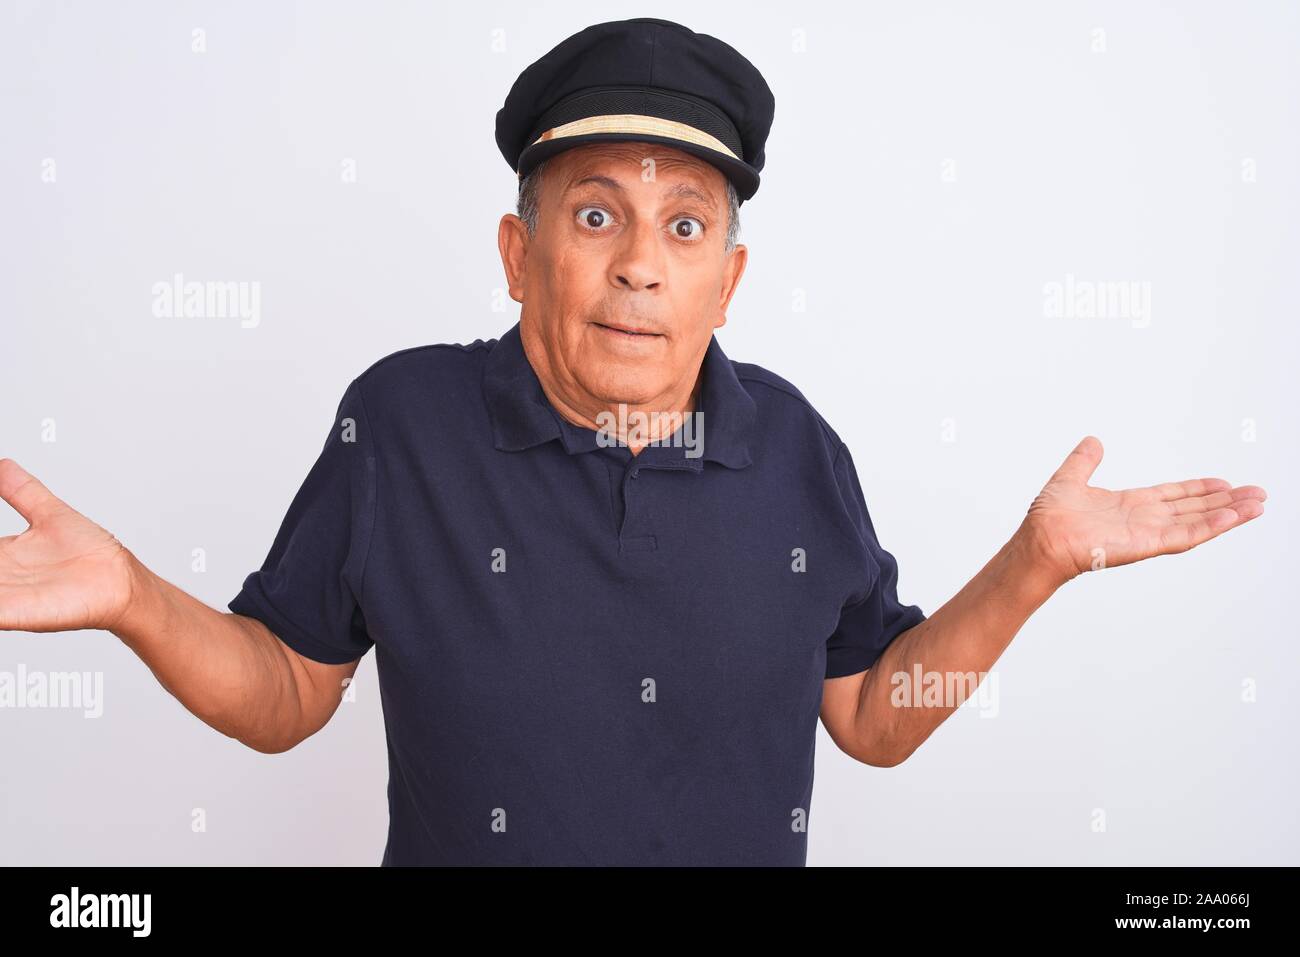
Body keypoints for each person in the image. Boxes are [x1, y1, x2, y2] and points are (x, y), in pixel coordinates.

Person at [0, 18, 1267, 865]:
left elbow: (877, 716)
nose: (637, 271)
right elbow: (286, 693)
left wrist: (1031, 562)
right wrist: (131, 598)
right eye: (597, 212)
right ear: (518, 253)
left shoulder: (798, 452)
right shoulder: (402, 424)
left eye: (682, 227)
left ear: (730, 277)